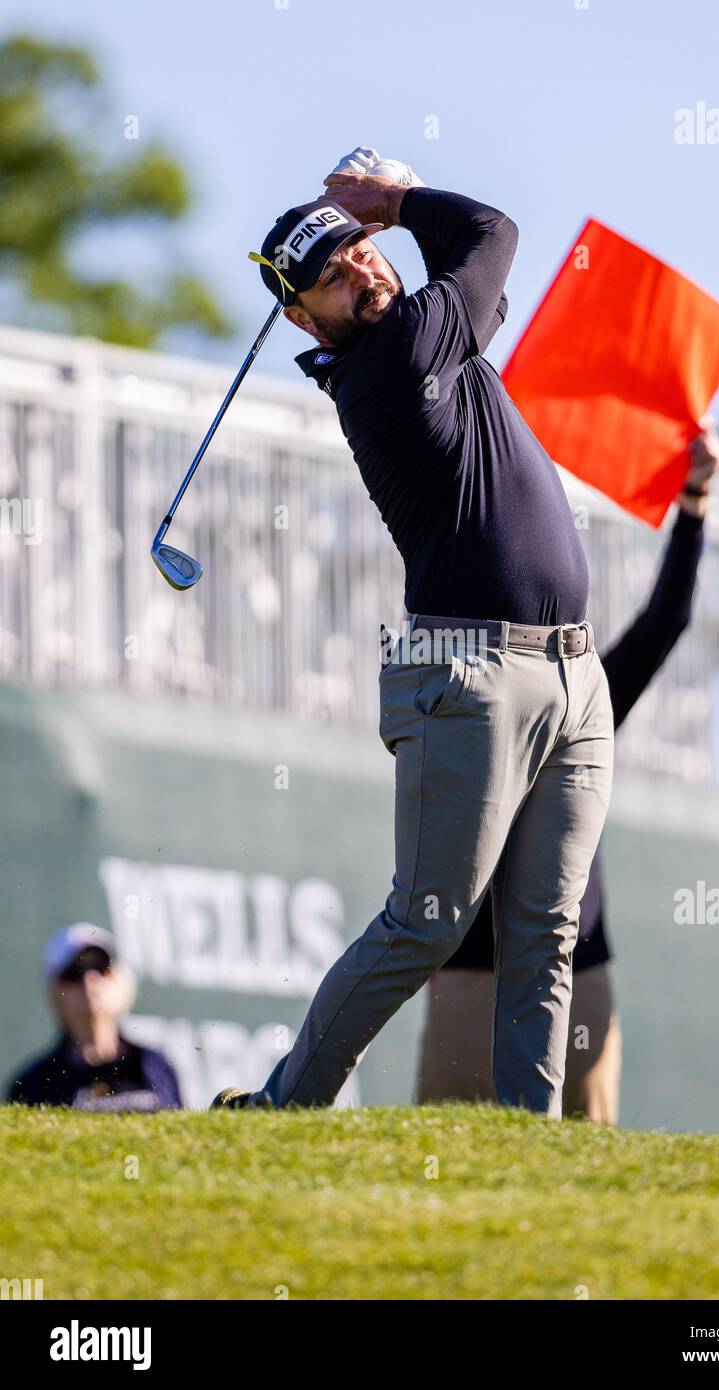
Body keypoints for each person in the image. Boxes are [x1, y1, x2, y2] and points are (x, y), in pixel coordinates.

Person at [214, 156, 614, 1117]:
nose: (364, 272)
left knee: (544, 929)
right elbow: (492, 236)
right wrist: (392, 200)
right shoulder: (390, 368)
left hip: (572, 674)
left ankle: (531, 1140)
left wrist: (390, 219)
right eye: (335, 276)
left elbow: (476, 280)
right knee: (424, 923)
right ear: (303, 320)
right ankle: (284, 1109)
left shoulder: (431, 343)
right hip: (465, 675)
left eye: (362, 251)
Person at [417, 423, 719, 1122]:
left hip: (572, 968)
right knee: (444, 1162)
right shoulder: (452, 687)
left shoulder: (583, 698)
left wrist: (693, 499)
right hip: (468, 964)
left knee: (579, 1163)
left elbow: (665, 620)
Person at [6, 923, 182, 1111]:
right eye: (75, 973)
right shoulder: (34, 1084)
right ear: (55, 991)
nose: (90, 982)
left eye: (101, 967)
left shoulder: (154, 1064)